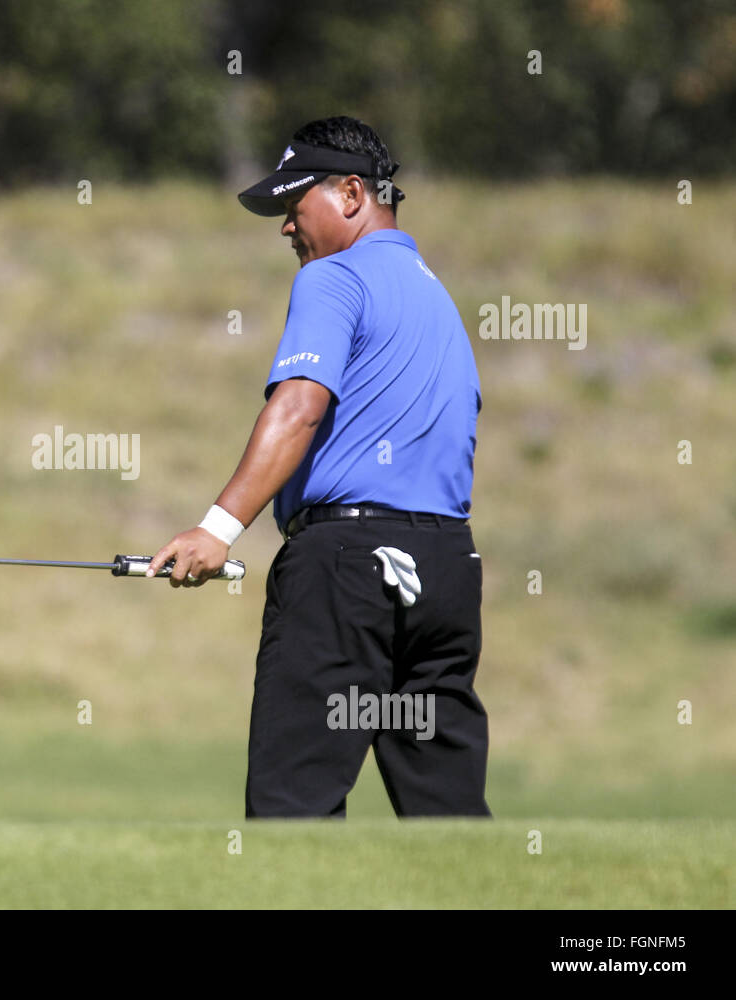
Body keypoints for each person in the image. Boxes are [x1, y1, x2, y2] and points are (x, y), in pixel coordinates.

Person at [148, 116, 490, 818]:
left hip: (346, 572)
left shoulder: (334, 278)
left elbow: (300, 407)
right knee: (448, 816)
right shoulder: (437, 296)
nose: (284, 228)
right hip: (447, 570)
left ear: (353, 194)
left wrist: (217, 529)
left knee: (291, 811)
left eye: (293, 205)